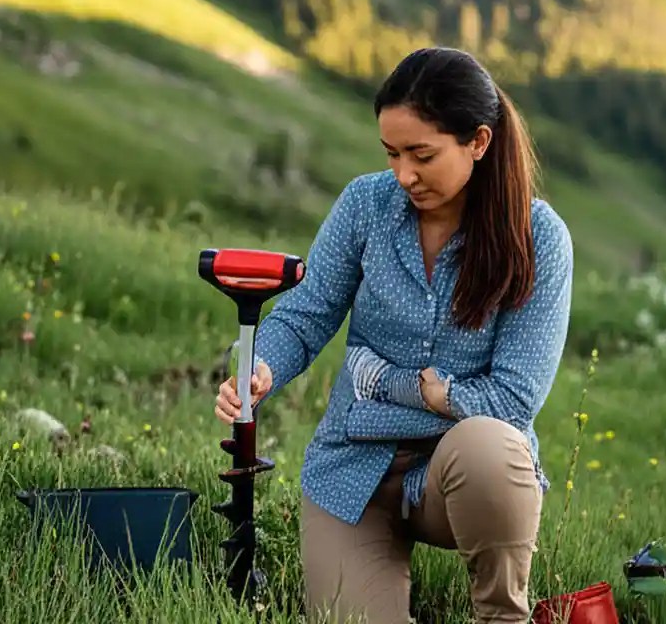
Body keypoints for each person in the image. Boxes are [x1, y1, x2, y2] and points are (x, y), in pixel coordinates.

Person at [213, 47, 574, 623]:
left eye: (422, 155)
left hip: (460, 472)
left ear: (478, 143)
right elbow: (307, 313)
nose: (404, 173)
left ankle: (503, 617)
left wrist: (422, 393)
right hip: (353, 469)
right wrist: (263, 369)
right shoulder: (365, 204)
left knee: (490, 446)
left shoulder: (539, 238)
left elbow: (513, 401)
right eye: (392, 153)